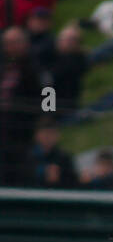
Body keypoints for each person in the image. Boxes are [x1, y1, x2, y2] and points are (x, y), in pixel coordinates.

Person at [0, 26, 41, 185]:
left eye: (15, 42)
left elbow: (49, 92)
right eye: (8, 43)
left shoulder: (34, 66)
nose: (11, 46)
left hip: (21, 130)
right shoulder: (4, 65)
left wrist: (47, 118)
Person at [28, 117, 77, 188]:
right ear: (37, 135)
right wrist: (43, 173)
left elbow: (72, 182)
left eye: (52, 133)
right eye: (46, 133)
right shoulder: (28, 157)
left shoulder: (64, 158)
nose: (48, 137)